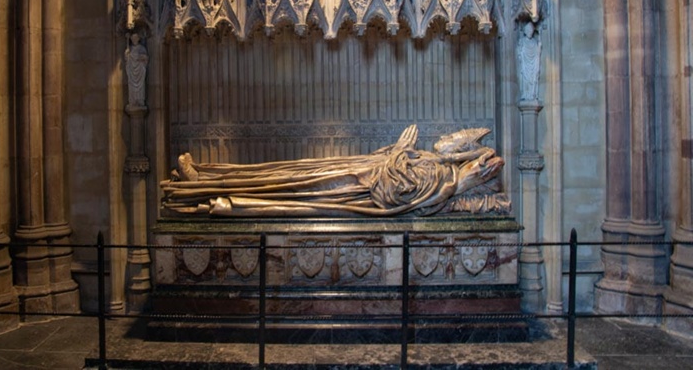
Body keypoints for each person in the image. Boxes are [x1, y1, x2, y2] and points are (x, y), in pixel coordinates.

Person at [161, 125, 504, 217]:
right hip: (356, 168)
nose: (446, 139)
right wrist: (398, 153)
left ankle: (203, 187)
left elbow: (392, 194)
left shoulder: (441, 179)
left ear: (469, 162)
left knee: (287, 183)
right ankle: (205, 178)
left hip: (351, 185)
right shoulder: (434, 166)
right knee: (287, 169)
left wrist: (398, 154)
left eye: (455, 141)